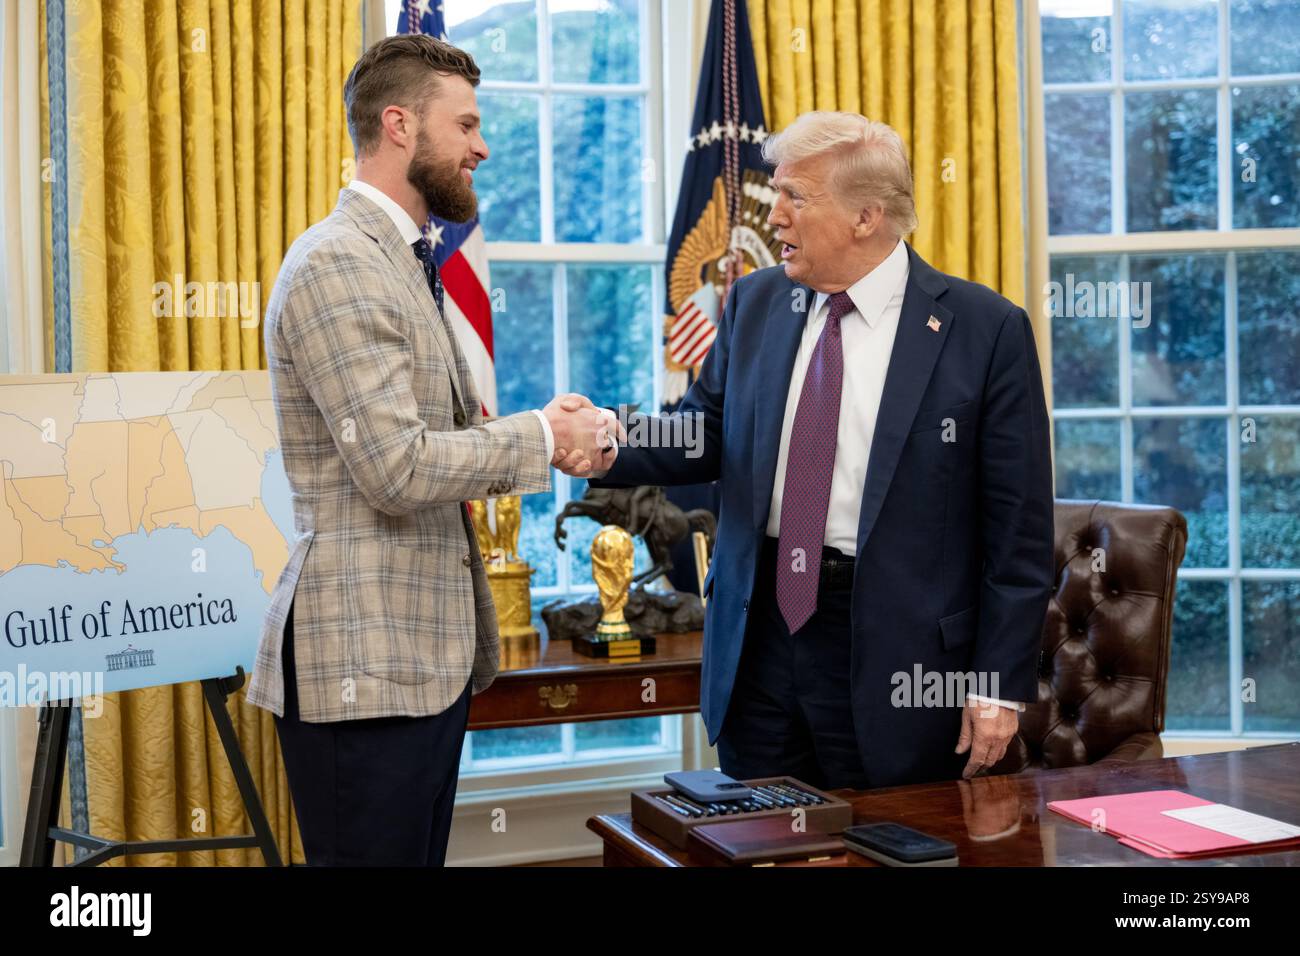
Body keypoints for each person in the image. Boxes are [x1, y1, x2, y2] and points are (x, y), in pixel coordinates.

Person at [592, 111, 1054, 790]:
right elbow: (702, 433)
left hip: (900, 657)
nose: (772, 215)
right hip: (761, 637)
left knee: (890, 846)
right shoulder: (753, 302)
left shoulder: (983, 331)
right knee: (761, 841)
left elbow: (1019, 535)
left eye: (793, 197)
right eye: (774, 193)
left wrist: (998, 685)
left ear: (866, 216)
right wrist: (601, 438)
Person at [245, 33, 614, 865]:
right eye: (468, 125)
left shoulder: (404, 261)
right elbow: (398, 469)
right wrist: (542, 440)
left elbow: (424, 440)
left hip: (417, 663)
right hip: (362, 667)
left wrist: (537, 423)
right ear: (401, 125)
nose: (483, 146)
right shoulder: (339, 262)